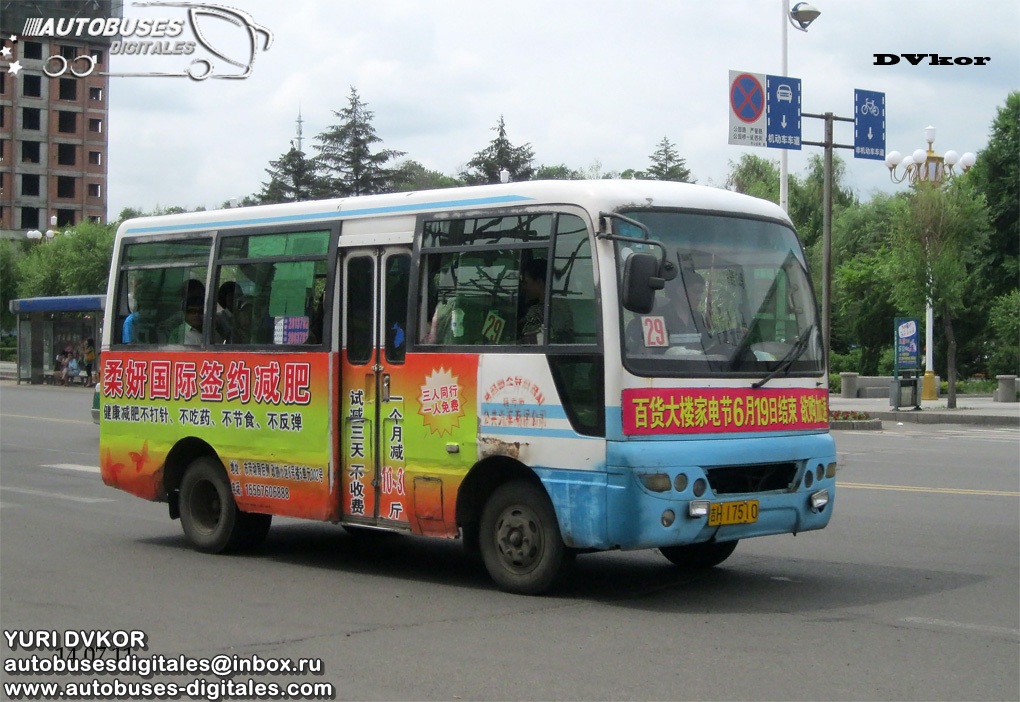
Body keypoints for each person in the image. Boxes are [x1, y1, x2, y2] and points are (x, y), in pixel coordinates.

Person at [663, 270, 708, 336]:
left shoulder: (697, 317)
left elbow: (705, 342)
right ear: (680, 291)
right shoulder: (661, 315)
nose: (699, 298)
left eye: (701, 293)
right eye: (696, 292)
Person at [518, 258, 547, 344]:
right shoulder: (564, 307)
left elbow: (527, 341)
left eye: (526, 283)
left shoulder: (536, 311)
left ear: (539, 283)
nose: (523, 287)